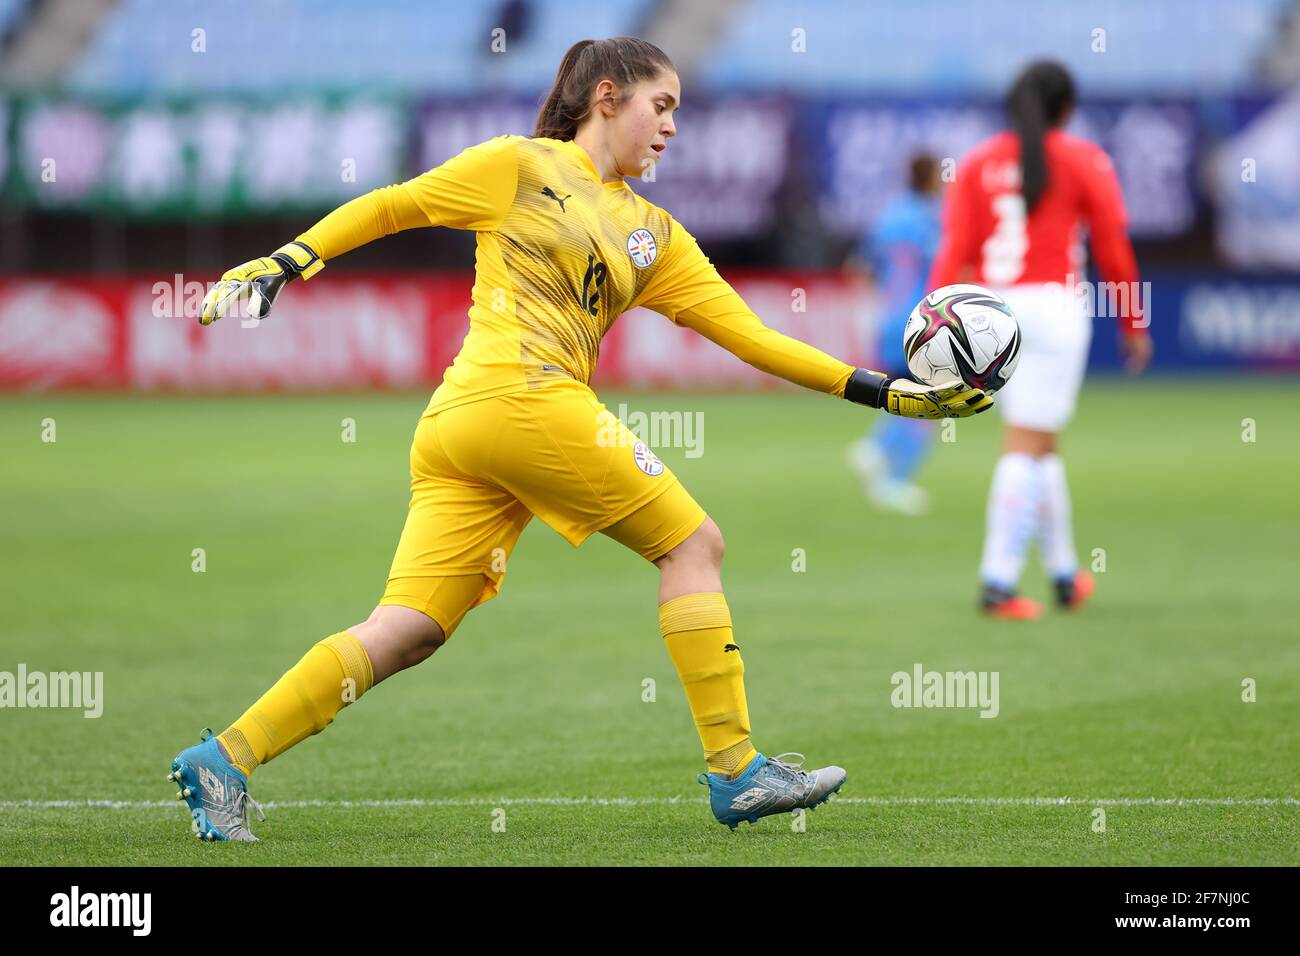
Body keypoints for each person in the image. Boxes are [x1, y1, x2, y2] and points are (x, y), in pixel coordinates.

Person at [169, 37, 992, 841]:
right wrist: (288, 258)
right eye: (660, 106)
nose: (671, 126)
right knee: (693, 546)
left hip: (462, 425)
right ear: (608, 98)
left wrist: (884, 392)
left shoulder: (654, 234)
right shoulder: (521, 165)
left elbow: (752, 337)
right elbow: (396, 204)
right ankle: (737, 771)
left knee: (411, 626)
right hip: (522, 401)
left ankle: (224, 758)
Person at [927, 61, 1153, 620]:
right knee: (1027, 445)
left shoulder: (977, 163)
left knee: (1040, 443)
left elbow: (952, 251)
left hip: (989, 315)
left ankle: (1063, 575)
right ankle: (997, 583)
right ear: (1067, 109)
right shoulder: (1083, 159)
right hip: (1052, 313)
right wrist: (1134, 323)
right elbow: (1113, 249)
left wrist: (934, 327)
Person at [846, 154, 943, 515]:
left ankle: (880, 457)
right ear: (932, 178)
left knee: (913, 395)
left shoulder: (890, 216)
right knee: (934, 403)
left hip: (890, 319)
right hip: (925, 322)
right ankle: (886, 463)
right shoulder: (932, 220)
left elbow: (860, 268)